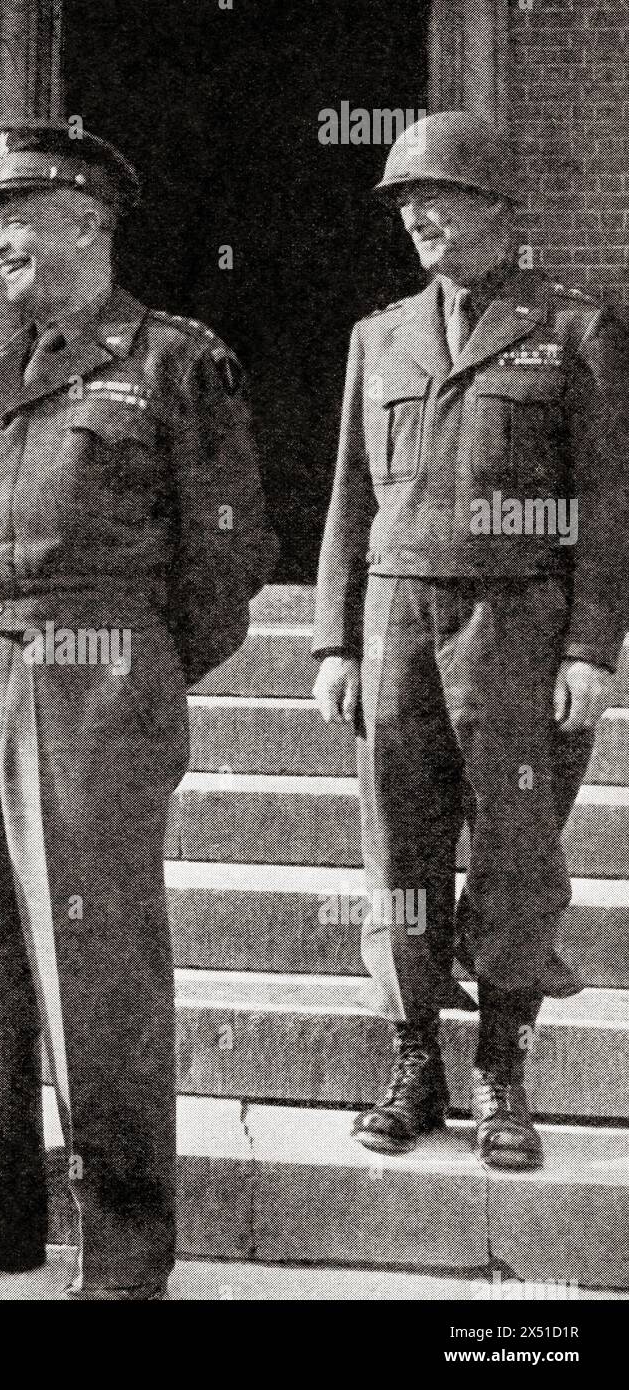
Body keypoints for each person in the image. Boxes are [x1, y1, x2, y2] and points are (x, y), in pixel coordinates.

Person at [0, 120, 277, 1299]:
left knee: (96, 966)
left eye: (20, 213)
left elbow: (226, 557)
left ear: (90, 223)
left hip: (96, 673)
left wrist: (131, 672)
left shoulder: (173, 360)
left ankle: (124, 1249)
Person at [312, 112, 629, 1171]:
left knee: (514, 849)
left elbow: (605, 501)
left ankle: (502, 1069)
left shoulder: (573, 329)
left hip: (518, 625)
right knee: (395, 852)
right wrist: (331, 643)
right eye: (404, 202)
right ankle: (413, 1063)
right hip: (395, 620)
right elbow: (349, 502)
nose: (417, 216)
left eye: (438, 196)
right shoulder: (377, 335)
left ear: (499, 210)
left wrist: (591, 648)